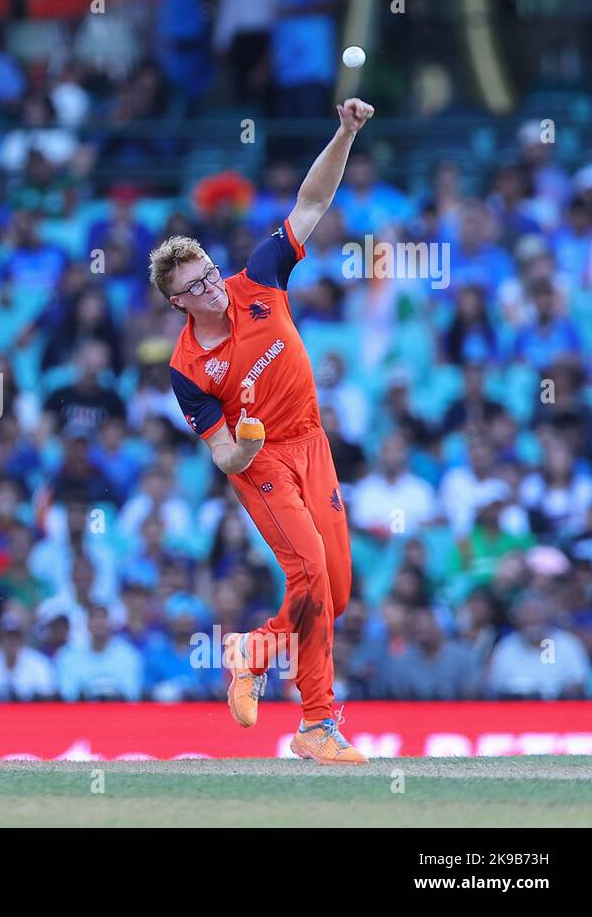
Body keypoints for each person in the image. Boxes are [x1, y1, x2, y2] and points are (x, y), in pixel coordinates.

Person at [156, 98, 376, 764]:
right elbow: (223, 454)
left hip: (312, 441)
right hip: (261, 463)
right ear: (176, 303)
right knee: (306, 570)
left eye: (206, 275)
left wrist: (344, 131)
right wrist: (246, 446)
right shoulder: (187, 368)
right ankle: (315, 725)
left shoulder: (258, 278)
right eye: (193, 288)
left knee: (332, 593)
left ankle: (253, 650)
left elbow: (311, 202)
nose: (210, 290)